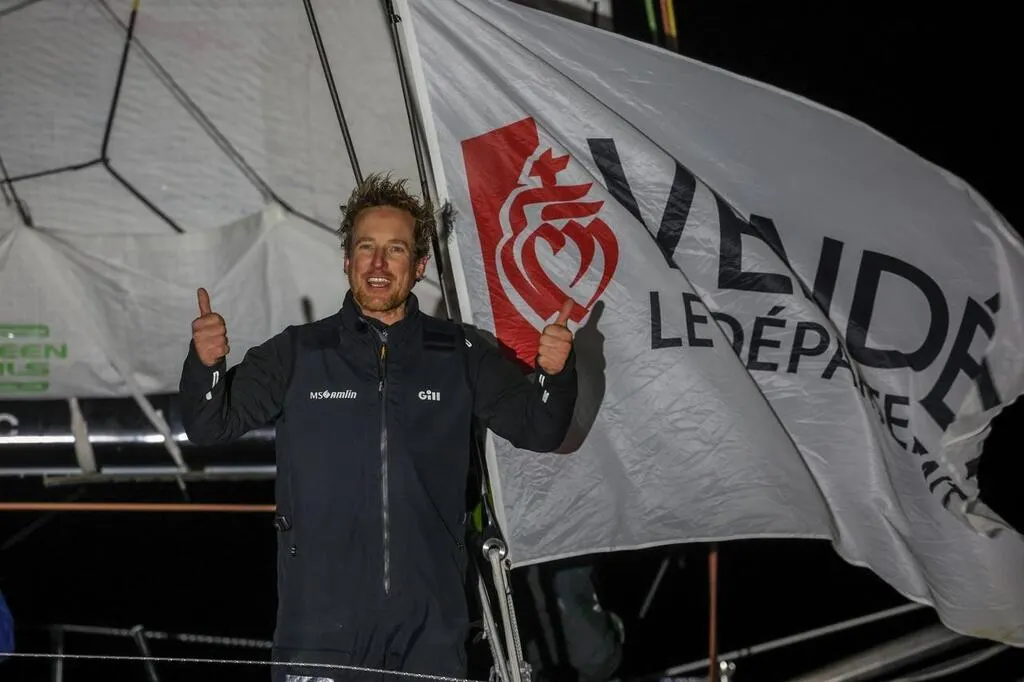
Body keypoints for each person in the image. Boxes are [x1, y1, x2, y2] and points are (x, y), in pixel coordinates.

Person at [179, 173, 578, 681]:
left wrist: (556, 374)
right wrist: (205, 365)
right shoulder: (297, 352)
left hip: (430, 629)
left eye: (395, 250)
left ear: (418, 267)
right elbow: (208, 425)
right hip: (318, 628)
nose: (378, 263)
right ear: (347, 261)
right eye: (366, 247)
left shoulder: (462, 353)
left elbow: (540, 430)